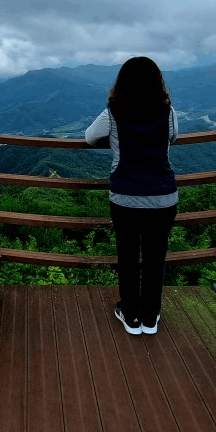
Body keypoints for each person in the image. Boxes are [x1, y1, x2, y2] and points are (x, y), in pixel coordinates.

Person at [84, 56, 178, 336]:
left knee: (127, 256)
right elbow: (173, 137)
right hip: (163, 196)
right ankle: (151, 318)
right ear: (157, 82)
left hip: (125, 196)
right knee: (155, 257)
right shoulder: (168, 111)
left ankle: (130, 316)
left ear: (122, 82)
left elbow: (89, 137)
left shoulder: (113, 112)